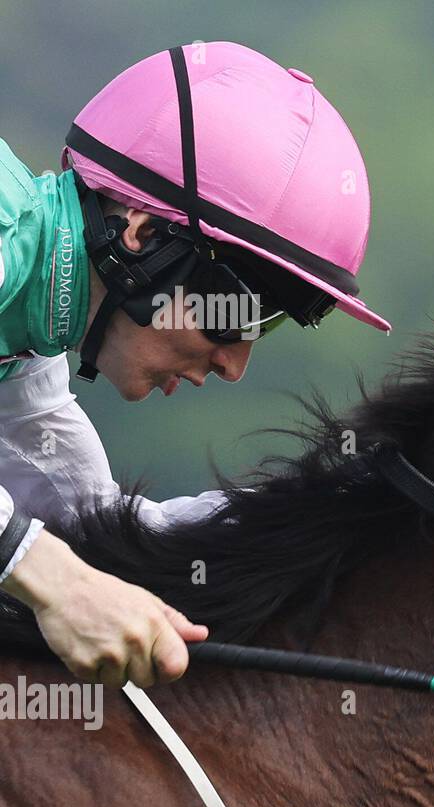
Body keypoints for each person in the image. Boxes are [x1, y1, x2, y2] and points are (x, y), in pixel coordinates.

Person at [0, 41, 391, 689]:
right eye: (238, 310)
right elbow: (49, 562)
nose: (235, 363)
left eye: (263, 328)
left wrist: (337, 507)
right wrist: (48, 574)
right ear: (142, 236)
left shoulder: (28, 336)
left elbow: (99, 529)